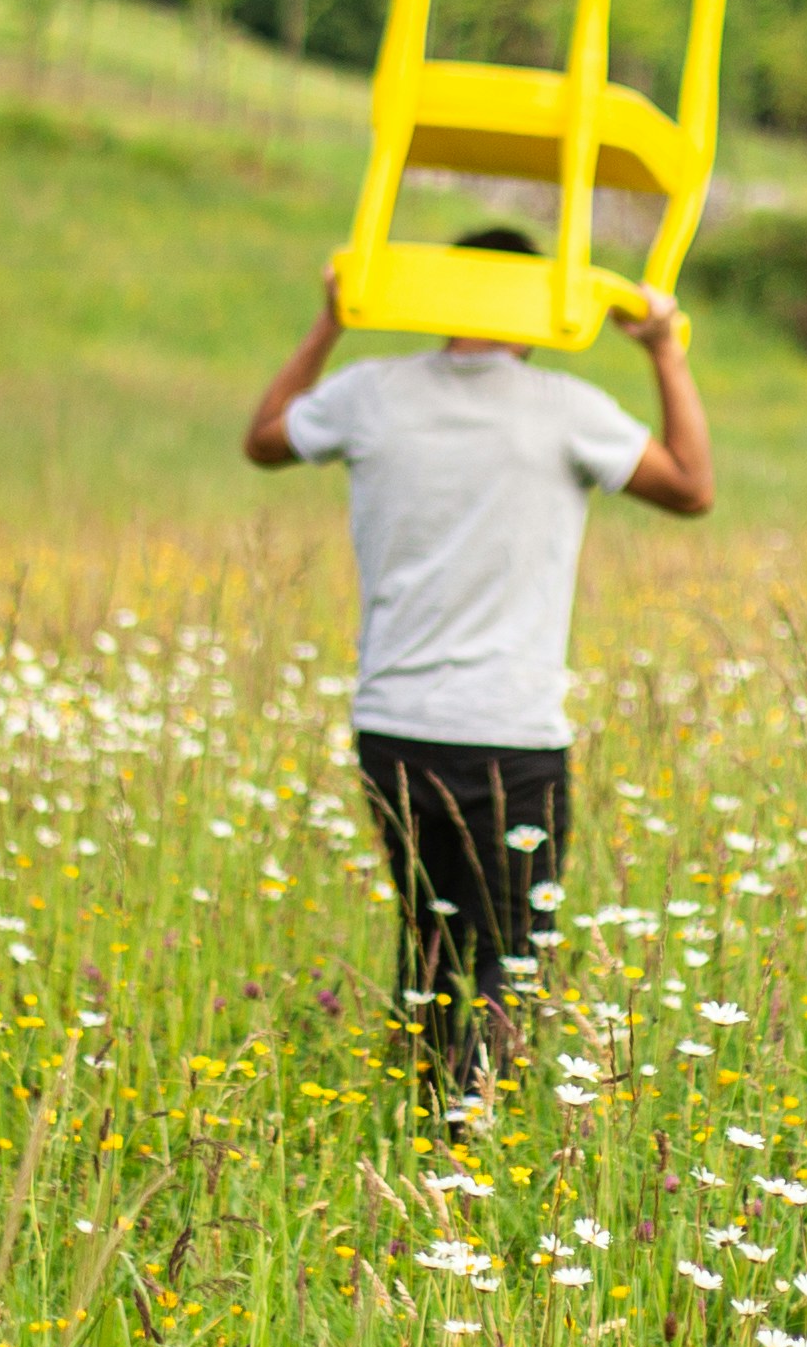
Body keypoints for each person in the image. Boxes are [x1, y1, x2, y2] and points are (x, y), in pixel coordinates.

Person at [242, 223, 713, 1110]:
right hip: (512, 734)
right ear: (537, 311)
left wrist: (329, 323)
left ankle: (420, 1125)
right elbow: (691, 488)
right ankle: (466, 1142)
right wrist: (664, 349)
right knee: (509, 953)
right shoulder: (566, 409)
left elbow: (265, 437)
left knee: (429, 941)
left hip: (392, 728)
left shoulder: (371, 396)